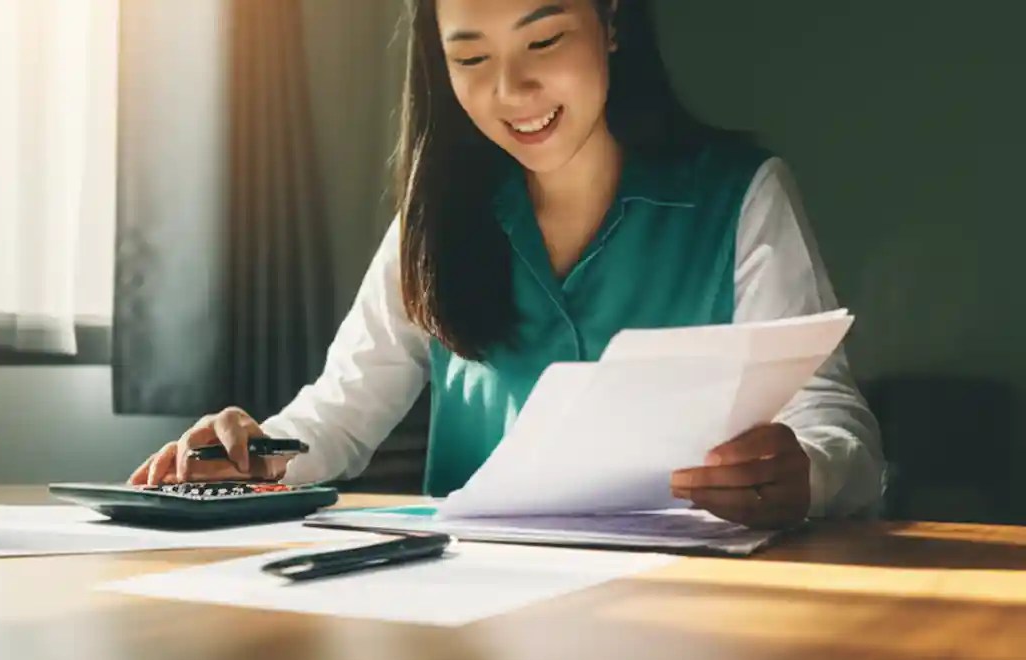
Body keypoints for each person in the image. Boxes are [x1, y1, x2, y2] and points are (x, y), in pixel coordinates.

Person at [128, 0, 884, 529]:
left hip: (692, 598)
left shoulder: (740, 196)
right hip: (474, 606)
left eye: (544, 41)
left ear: (611, 21)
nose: (510, 90)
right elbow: (338, 416)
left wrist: (807, 472)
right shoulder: (434, 221)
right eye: (470, 57)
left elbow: (833, 424)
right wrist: (254, 454)